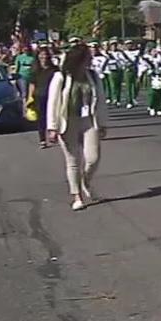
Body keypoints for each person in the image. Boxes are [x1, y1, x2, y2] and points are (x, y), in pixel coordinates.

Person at [45, 44, 109, 211]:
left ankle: (85, 181)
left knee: (93, 158)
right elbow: (53, 103)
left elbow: (100, 101)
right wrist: (52, 127)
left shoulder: (93, 76)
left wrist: (102, 123)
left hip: (89, 120)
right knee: (73, 161)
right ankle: (77, 196)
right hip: (68, 121)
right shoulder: (61, 77)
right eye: (86, 57)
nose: (90, 60)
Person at [26, 48, 59, 149]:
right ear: (38, 56)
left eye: (45, 55)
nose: (44, 57)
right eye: (41, 55)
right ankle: (42, 140)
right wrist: (29, 98)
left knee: (52, 116)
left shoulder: (54, 69)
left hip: (52, 96)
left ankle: (52, 134)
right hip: (39, 96)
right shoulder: (35, 69)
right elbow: (32, 84)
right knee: (41, 119)